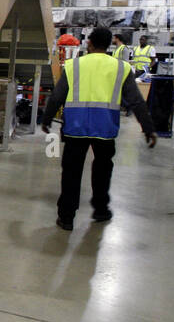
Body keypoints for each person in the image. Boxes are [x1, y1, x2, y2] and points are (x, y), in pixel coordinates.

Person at [41, 26, 157, 231]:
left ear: (90, 43)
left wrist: (47, 118)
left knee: (71, 172)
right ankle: (101, 209)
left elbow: (57, 96)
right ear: (110, 44)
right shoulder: (121, 68)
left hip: (75, 128)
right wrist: (148, 128)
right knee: (103, 170)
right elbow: (136, 102)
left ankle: (66, 217)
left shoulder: (74, 65)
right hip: (105, 128)